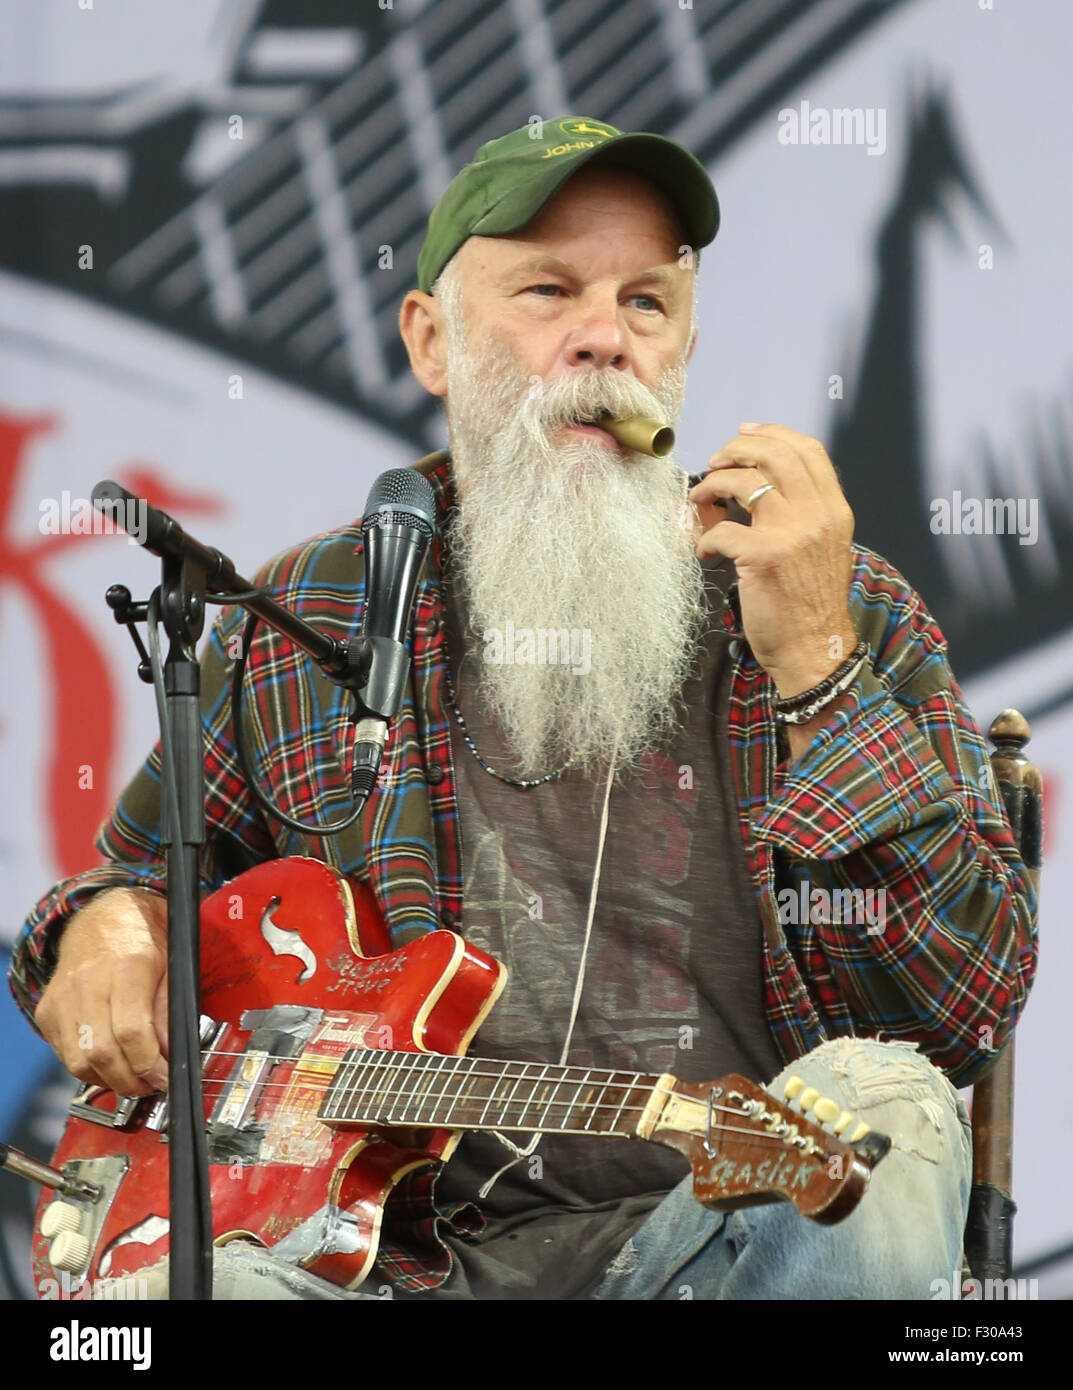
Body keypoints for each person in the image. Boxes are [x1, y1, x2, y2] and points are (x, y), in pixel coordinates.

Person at [10, 116, 1037, 1300]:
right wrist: (110, 928)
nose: (604, 338)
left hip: (725, 1256)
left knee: (889, 1115)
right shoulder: (306, 613)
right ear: (430, 341)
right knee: (147, 1307)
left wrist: (818, 663)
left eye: (646, 304)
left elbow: (958, 1014)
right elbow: (125, 887)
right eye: (548, 290)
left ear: (683, 347)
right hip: (384, 1270)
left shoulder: (830, 603)